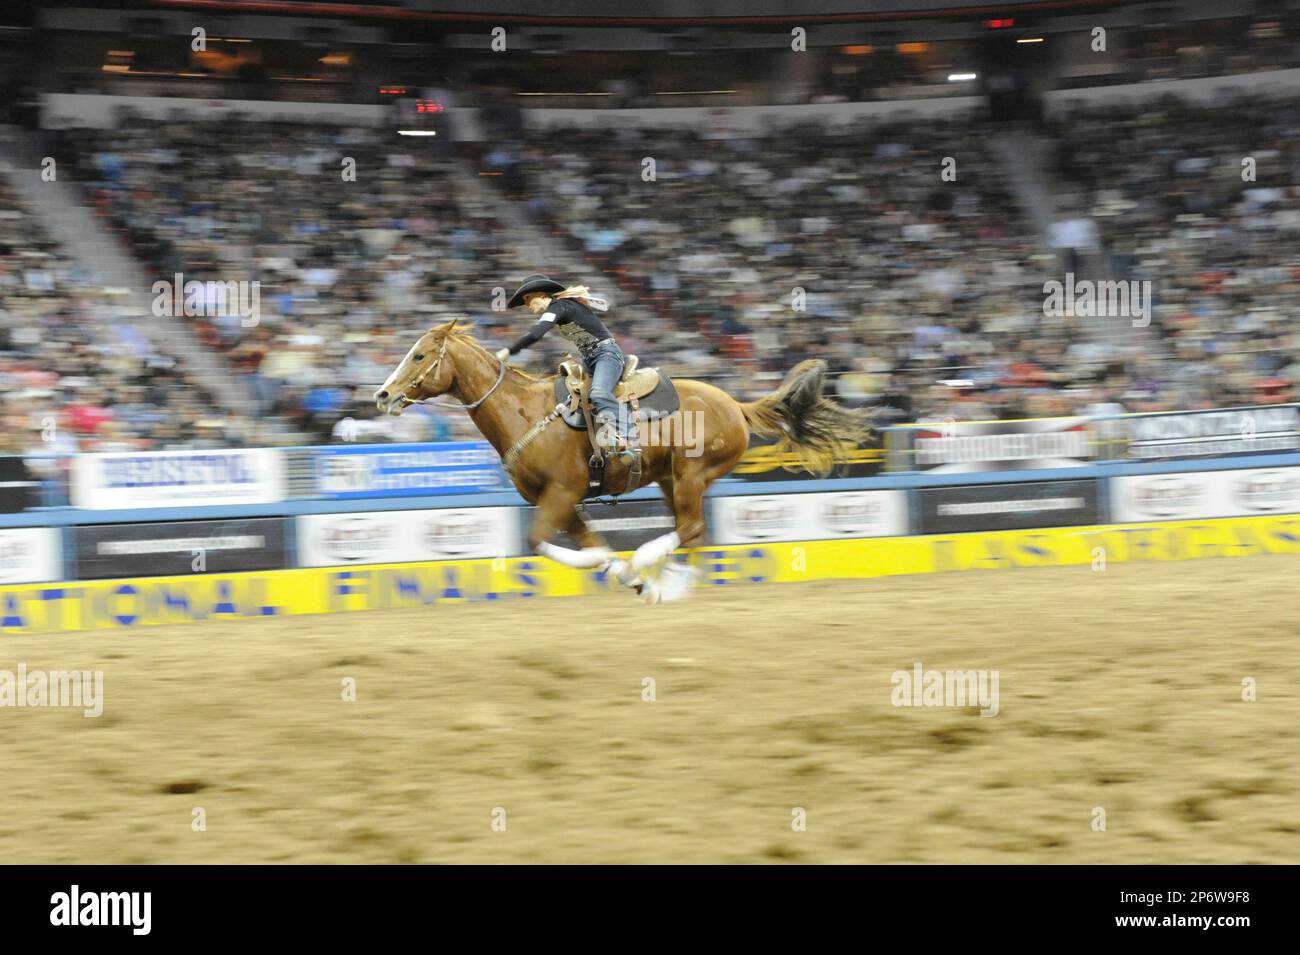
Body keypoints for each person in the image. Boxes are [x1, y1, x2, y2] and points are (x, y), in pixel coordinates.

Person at [497, 273, 638, 452]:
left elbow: (536, 333)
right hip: (589, 360)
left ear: (541, 294)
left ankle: (629, 435)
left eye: (528, 298)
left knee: (599, 394)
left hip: (606, 354)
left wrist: (509, 350)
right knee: (570, 396)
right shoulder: (562, 307)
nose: (526, 304)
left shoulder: (560, 306)